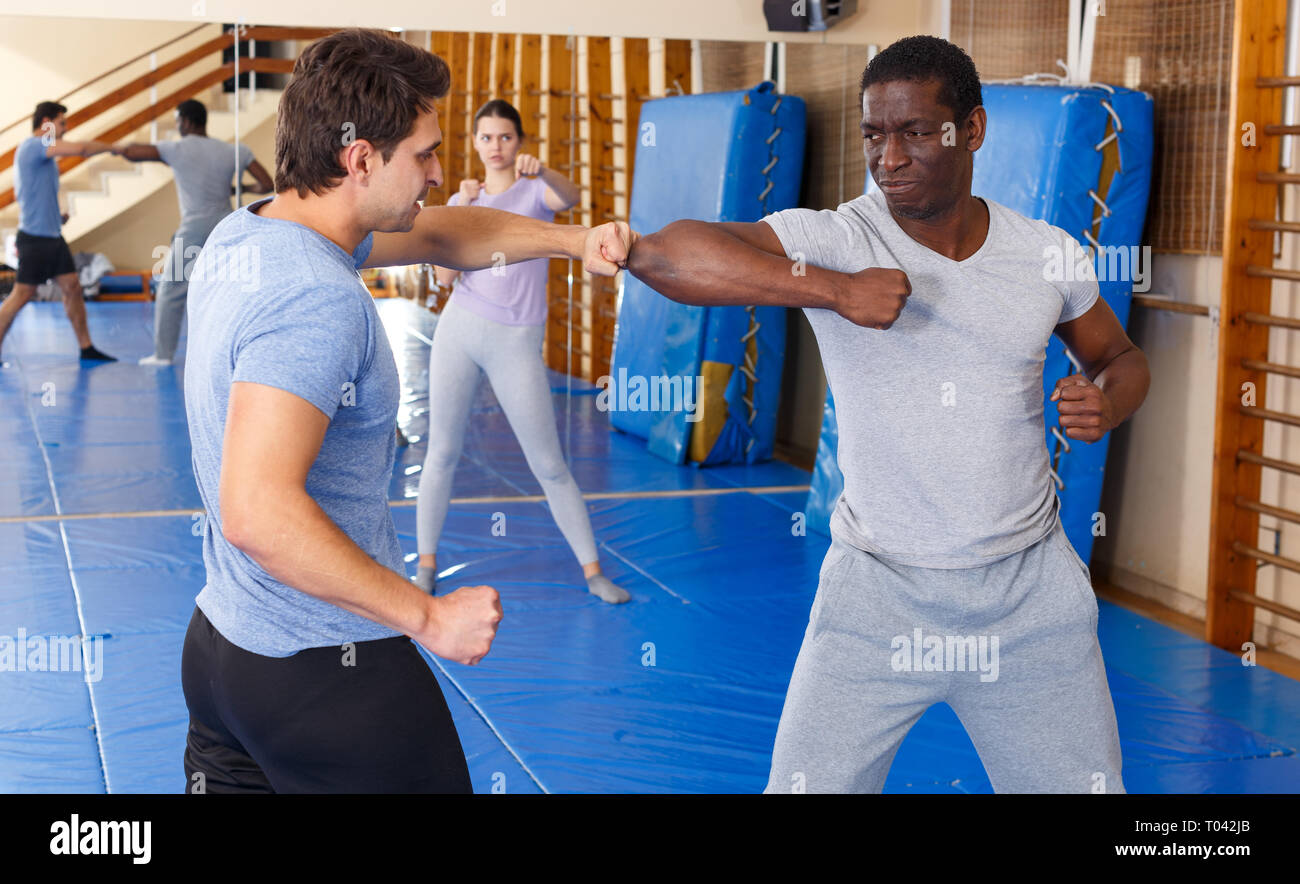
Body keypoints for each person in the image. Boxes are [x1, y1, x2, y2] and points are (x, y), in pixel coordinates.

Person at [626, 35, 1150, 793]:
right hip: (875, 596)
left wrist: (1105, 399)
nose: (889, 158)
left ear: (971, 130)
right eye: (874, 135)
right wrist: (834, 291)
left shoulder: (1046, 254)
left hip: (1029, 599)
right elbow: (665, 257)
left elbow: (1122, 357)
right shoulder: (840, 238)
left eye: (913, 133)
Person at [180, 28, 632, 793]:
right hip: (329, 672)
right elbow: (255, 511)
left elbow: (444, 232)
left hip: (224, 656)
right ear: (360, 159)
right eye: (422, 154)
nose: (439, 171)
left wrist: (572, 238)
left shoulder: (251, 229)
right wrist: (428, 618)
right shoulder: (317, 298)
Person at [414, 99, 628, 604]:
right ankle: (425, 564)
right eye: (485, 137)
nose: (495, 147)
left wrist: (545, 168)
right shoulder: (464, 202)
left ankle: (593, 571)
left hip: (516, 343)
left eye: (505, 138)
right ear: (474, 143)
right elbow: (444, 279)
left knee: (549, 464)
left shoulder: (537, 191)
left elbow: (572, 198)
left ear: (519, 142)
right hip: (460, 330)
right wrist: (456, 213)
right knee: (441, 452)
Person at [117, 99, 275, 366]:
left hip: (194, 229)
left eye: (178, 120)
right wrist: (238, 189)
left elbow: (133, 152)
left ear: (187, 122)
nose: (178, 126)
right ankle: (242, 350)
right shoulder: (232, 151)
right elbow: (266, 184)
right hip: (226, 228)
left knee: (170, 290)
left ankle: (163, 355)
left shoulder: (178, 148)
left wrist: (112, 149)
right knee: (232, 289)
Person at [0, 101, 117, 364]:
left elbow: (32, 195)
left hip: (52, 236)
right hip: (35, 239)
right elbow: (83, 149)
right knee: (22, 294)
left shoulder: (45, 158)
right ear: (46, 123)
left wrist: (57, 217)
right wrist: (114, 147)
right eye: (61, 123)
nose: (64, 129)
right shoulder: (32, 146)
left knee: (73, 287)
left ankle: (86, 347)